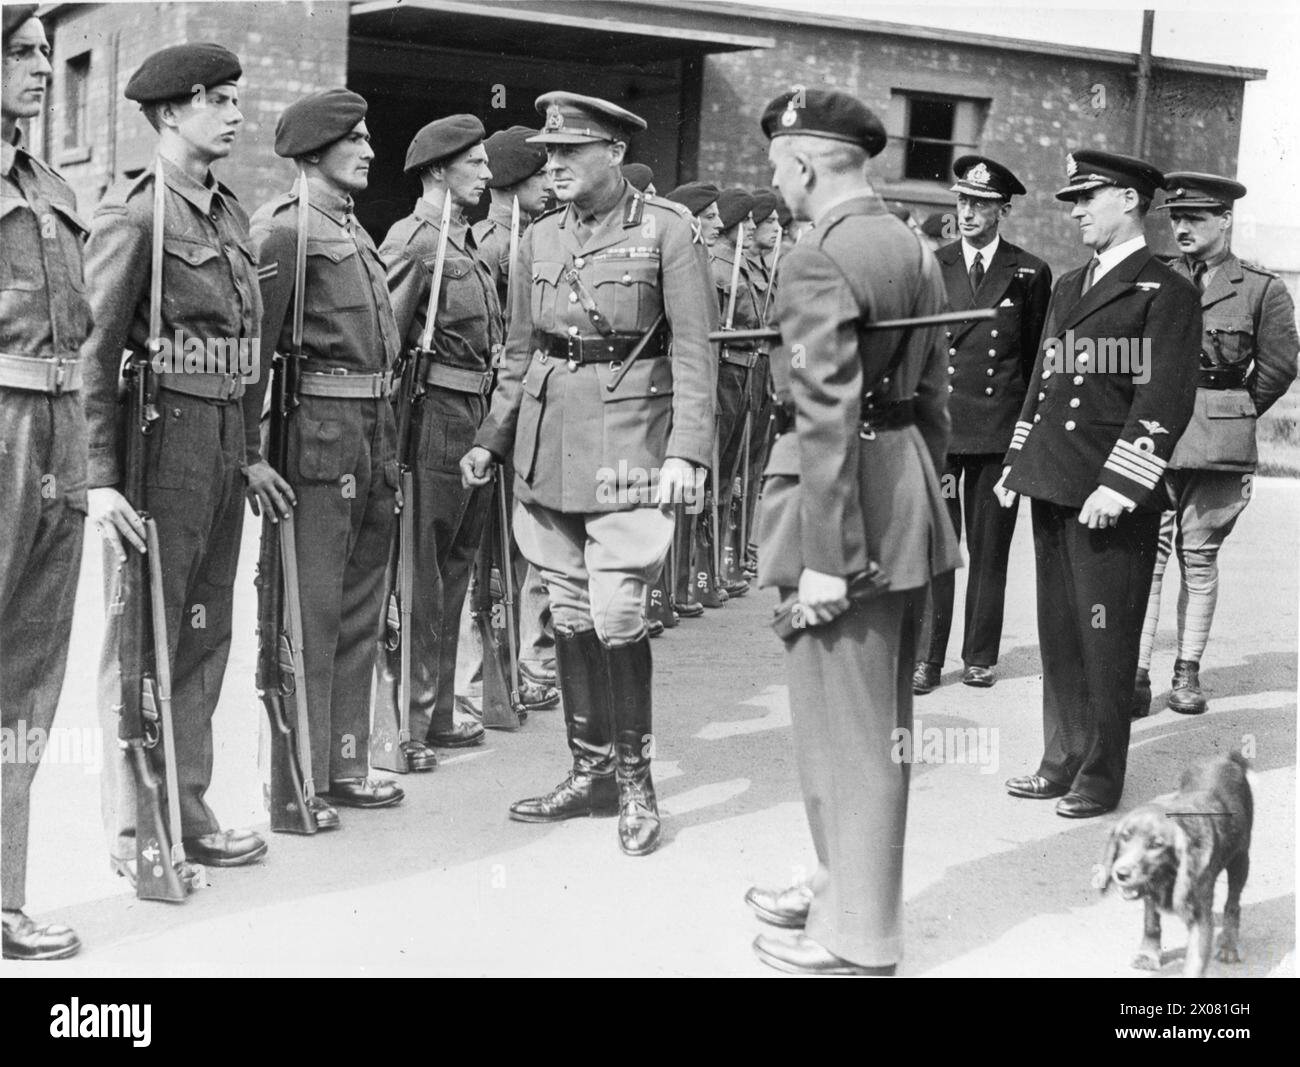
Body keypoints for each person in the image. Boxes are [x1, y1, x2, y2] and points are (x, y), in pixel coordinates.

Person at [460, 91, 715, 856]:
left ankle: (636, 780)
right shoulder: (537, 237)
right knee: (569, 612)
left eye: (571, 150)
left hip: (630, 447)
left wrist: (687, 452)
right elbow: (519, 352)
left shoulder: (666, 230)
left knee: (617, 613)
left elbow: (694, 351)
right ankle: (591, 771)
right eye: (549, 153)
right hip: (548, 446)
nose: (555, 165)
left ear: (614, 152)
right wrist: (491, 438)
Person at [745, 88, 960, 976]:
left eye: (776, 164)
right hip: (900, 490)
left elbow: (824, 411)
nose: (774, 180)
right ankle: (841, 884)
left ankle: (860, 938)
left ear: (803, 163)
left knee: (849, 732)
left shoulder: (817, 256)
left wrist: (829, 560)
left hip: (840, 512)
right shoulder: (913, 244)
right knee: (874, 723)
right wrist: (925, 503)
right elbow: (934, 392)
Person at [83, 43, 272, 879]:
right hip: (162, 441)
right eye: (216, 100)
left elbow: (246, 346)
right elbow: (92, 355)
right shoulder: (136, 217)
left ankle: (187, 808)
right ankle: (138, 832)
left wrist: (253, 451)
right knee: (142, 638)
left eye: (234, 98)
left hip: (223, 441)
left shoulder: (229, 214)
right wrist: (98, 479)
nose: (234, 113)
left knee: (203, 630)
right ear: (169, 113)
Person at [998, 150, 1202, 818]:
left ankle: (1101, 774)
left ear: (1129, 200)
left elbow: (1161, 398)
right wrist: (1017, 463)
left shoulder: (1166, 291)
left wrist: (1121, 484)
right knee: (1060, 633)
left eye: (1088, 198)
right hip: (1054, 478)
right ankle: (1060, 759)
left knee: (1105, 638)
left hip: (1108, 493)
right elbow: (1044, 381)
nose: (1077, 212)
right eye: (1074, 200)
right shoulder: (1068, 285)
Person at [249, 88, 405, 819]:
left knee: (360, 605)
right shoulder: (285, 232)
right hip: (316, 434)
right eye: (355, 140)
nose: (369, 150)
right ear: (315, 151)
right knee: (308, 611)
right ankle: (297, 780)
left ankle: (345, 761)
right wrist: (251, 451)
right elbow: (254, 355)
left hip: (372, 430)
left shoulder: (353, 230)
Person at [1133, 173, 1298, 715]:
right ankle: (1136, 672)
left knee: (1199, 558)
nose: (1182, 227)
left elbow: (1278, 367)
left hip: (1218, 444)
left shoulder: (1261, 288)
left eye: (1195, 218)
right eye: (1176, 218)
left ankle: (1187, 671)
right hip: (1154, 435)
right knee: (1149, 557)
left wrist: (1232, 410)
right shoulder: (1153, 277)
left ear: (1224, 220)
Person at [1, 4, 85, 960]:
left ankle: (4, 895)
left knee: (25, 681)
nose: (41, 66)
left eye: (46, 52)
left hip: (58, 430)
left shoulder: (50, 184)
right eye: (20, 52)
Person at [376, 114, 501, 754]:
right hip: (431, 420)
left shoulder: (465, 243)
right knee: (420, 578)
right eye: (473, 162)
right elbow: (385, 343)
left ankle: (441, 710)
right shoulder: (415, 242)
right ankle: (408, 721)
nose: (486, 172)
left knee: (456, 571)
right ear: (436, 171)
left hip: (473, 415)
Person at [914, 156, 1051, 693]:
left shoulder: (1029, 272)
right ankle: (927, 658)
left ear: (1003, 211)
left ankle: (980, 656)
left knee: (991, 550)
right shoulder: (934, 264)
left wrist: (1026, 435)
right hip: (943, 431)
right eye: (963, 201)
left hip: (997, 434)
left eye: (981, 204)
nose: (968, 212)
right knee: (937, 547)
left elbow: (1036, 360)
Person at [467, 124, 558, 712]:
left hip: (530, 409)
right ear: (512, 180)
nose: (549, 182)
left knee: (527, 543)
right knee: (489, 554)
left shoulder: (538, 239)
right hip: (492, 410)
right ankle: (486, 673)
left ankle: (526, 658)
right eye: (539, 172)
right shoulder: (490, 245)